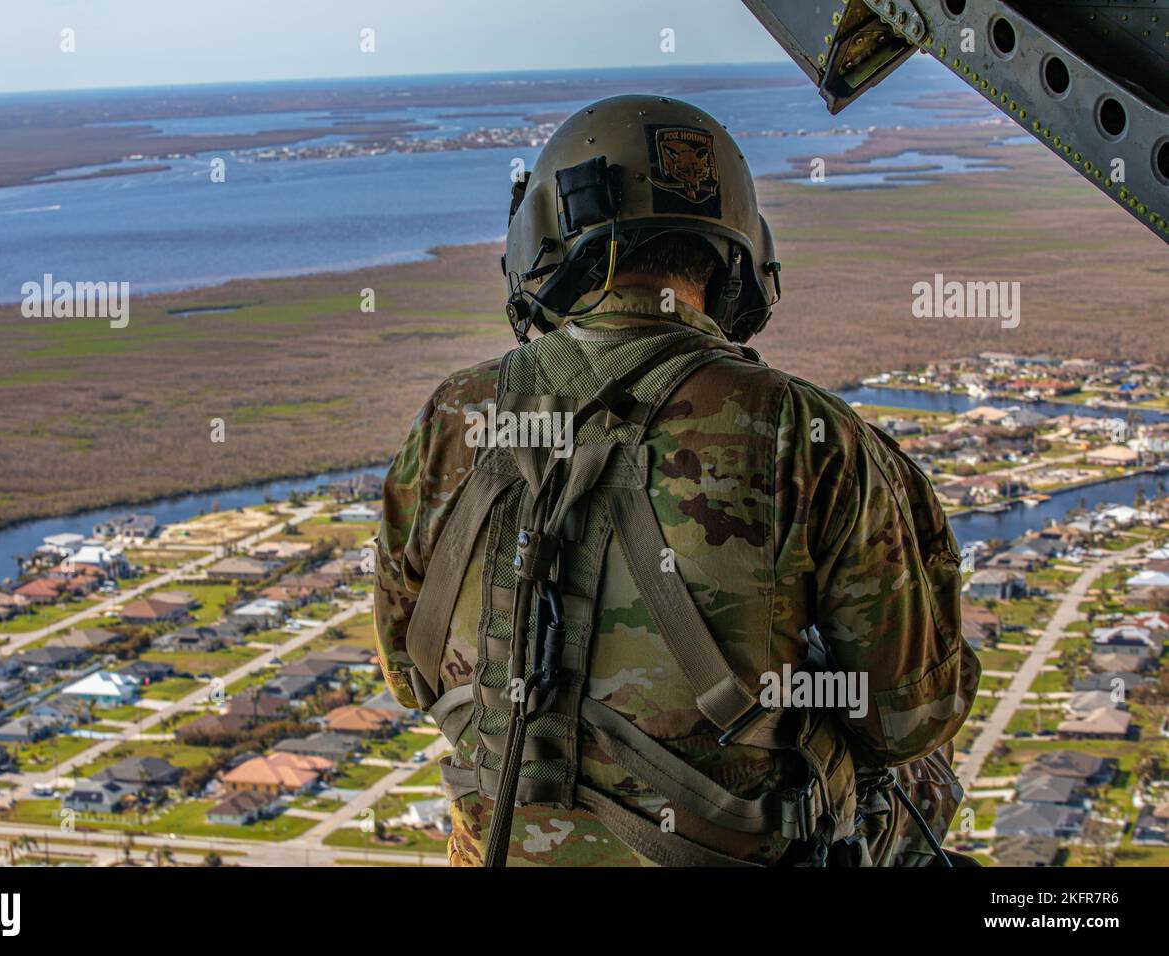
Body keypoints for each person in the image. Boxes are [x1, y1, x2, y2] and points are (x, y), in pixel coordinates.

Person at [374, 94, 980, 866]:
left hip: (499, 851)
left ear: (542, 244)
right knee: (920, 778)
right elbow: (910, 718)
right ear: (740, 260)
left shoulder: (450, 420)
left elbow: (406, 674)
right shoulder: (808, 434)